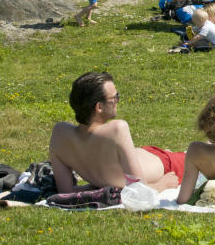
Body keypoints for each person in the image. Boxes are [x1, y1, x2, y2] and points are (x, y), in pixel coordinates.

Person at [49, 72, 184, 193]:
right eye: (115, 97)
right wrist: (161, 185)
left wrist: (96, 187)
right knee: (199, 154)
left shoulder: (60, 133)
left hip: (146, 156)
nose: (117, 101)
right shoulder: (116, 129)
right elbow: (139, 189)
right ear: (99, 107)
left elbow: (65, 191)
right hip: (169, 164)